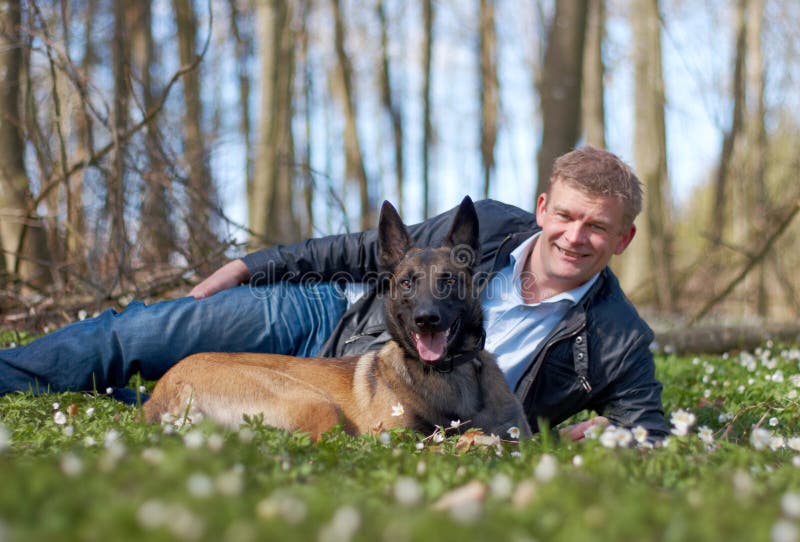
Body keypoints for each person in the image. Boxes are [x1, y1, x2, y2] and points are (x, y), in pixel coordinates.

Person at [0, 146, 669, 440]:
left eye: (597, 227)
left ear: (623, 238)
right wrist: (251, 265)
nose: (575, 236)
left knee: (188, 400)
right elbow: (360, 249)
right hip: (331, 316)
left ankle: (138, 407)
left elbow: (651, 429)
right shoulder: (489, 223)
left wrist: (613, 433)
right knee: (138, 334)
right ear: (544, 207)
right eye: (567, 216)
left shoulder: (617, 339)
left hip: (383, 398)